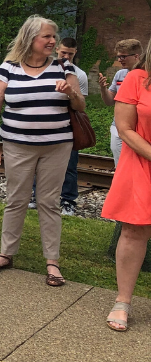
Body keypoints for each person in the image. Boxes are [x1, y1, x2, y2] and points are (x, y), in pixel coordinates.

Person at [0, 15, 84, 287]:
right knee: (15, 200)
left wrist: (71, 93)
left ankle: (52, 262)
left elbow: (80, 106)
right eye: (46, 36)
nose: (52, 41)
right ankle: (6, 254)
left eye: (53, 36)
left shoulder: (64, 67)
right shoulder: (9, 67)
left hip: (56, 147)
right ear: (30, 38)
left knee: (49, 202)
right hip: (17, 145)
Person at [100, 36, 151, 332]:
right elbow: (125, 128)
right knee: (134, 232)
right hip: (142, 162)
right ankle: (123, 301)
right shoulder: (136, 78)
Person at [55, 38, 88, 216]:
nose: (66, 56)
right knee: (39, 161)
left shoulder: (79, 75)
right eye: (63, 52)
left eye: (70, 54)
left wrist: (70, 94)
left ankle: (68, 200)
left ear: (75, 53)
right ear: (57, 49)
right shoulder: (46, 68)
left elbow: (81, 105)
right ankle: (37, 196)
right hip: (46, 122)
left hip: (69, 122)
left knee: (69, 164)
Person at [99, 39, 142, 165]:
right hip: (118, 127)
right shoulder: (120, 74)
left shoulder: (145, 75)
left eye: (123, 56)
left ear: (136, 56)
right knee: (120, 165)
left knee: (136, 165)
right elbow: (109, 101)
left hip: (138, 130)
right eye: (118, 57)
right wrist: (103, 89)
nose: (119, 60)